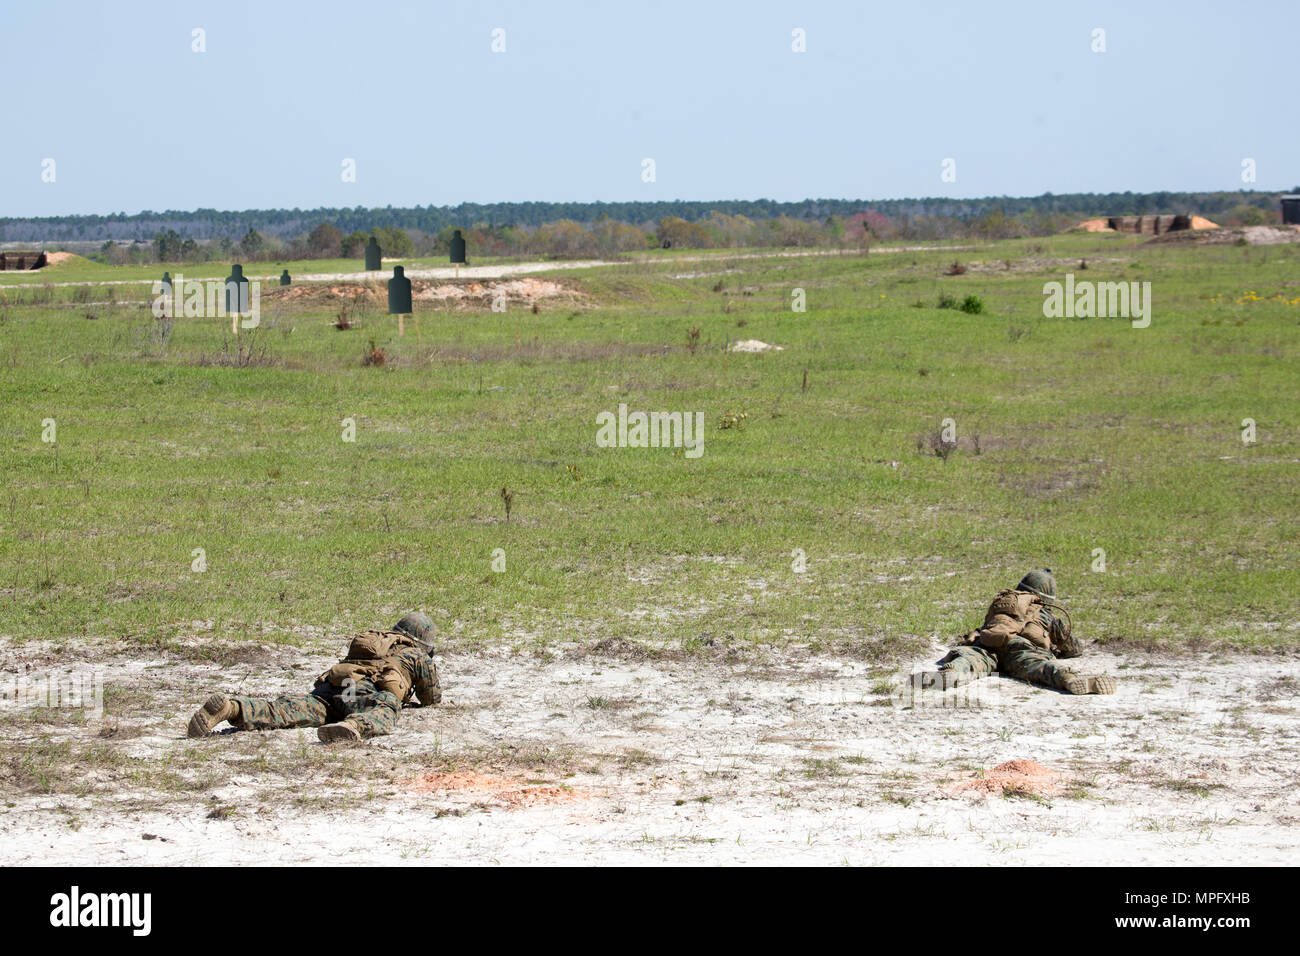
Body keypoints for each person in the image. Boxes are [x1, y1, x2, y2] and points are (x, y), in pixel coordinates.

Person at [186, 612, 441, 743]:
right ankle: (354, 726)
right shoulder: (416, 655)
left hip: (334, 687)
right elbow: (432, 698)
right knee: (385, 708)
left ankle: (232, 708)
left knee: (286, 711)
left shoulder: (378, 641)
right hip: (364, 693)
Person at [912, 569, 1116, 695]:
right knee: (1042, 667)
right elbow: (1073, 648)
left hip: (988, 643)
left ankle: (953, 672)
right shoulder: (1045, 613)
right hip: (1021, 650)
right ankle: (1069, 679)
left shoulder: (1004, 603)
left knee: (971, 659)